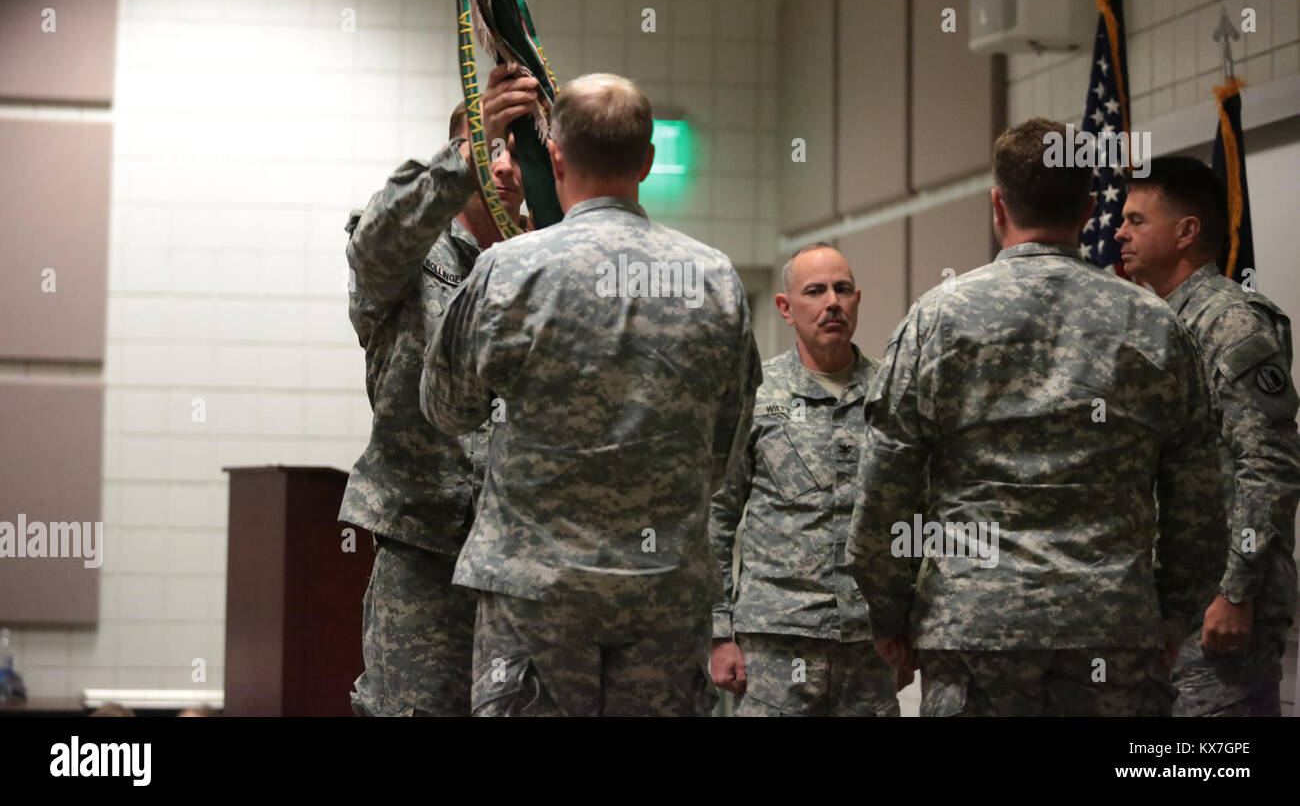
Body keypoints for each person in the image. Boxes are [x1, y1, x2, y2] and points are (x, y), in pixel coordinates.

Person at [846, 117, 1226, 716]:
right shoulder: (1154, 324)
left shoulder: (937, 319)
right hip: (1111, 627)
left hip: (976, 627)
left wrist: (889, 615)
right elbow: (1200, 495)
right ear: (1089, 208)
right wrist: (1174, 614)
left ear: (998, 204)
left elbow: (885, 490)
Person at [423, 73, 761, 716]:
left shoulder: (510, 268)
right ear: (648, 161)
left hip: (536, 595)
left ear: (553, 155)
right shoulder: (713, 278)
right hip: (662, 595)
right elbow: (728, 443)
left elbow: (446, 407)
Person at [341, 63, 540, 716]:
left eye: (520, 147)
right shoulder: (411, 259)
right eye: (490, 148)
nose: (506, 166)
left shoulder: (554, 268)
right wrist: (465, 149)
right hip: (431, 549)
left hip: (532, 560)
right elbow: (378, 236)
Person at [1117, 155, 1300, 717]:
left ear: (1187, 231)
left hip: (1220, 614)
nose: (1119, 233)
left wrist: (1237, 591)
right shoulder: (1157, 323)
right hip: (1167, 609)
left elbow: (1268, 462)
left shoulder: (1230, 321)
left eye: (1136, 220)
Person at [710, 243, 900, 716]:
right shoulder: (755, 394)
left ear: (858, 299)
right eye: (815, 291)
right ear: (786, 307)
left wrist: (907, 626)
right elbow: (716, 516)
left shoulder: (892, 394)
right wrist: (718, 634)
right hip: (776, 644)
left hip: (869, 644)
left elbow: (917, 513)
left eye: (842, 289)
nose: (831, 302)